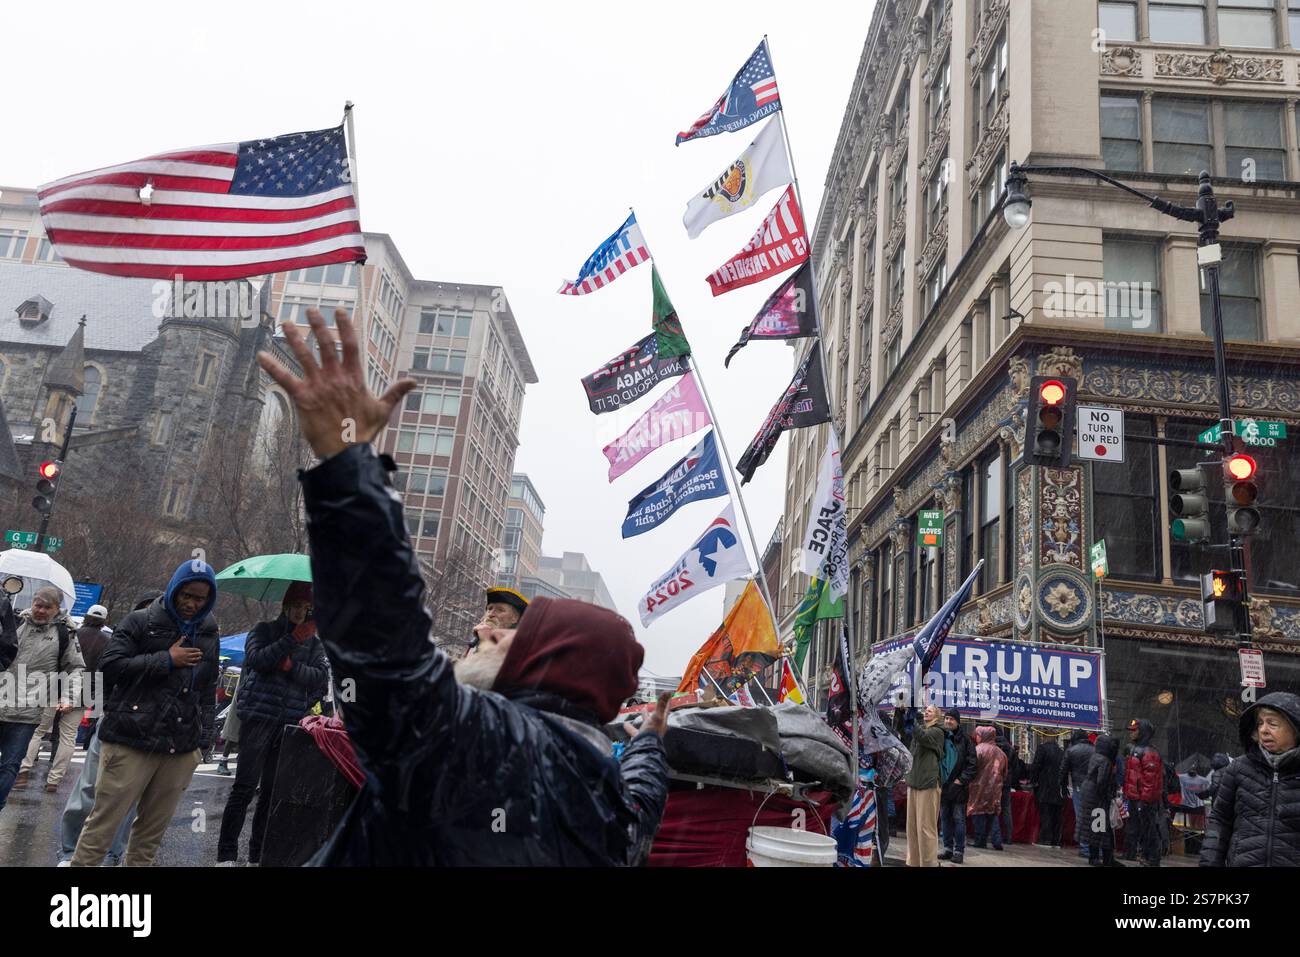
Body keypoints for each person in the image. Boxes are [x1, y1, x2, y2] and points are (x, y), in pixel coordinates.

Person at [256, 305, 671, 865]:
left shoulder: (487, 743)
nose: (485, 631)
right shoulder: (605, 795)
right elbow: (642, 804)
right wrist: (648, 742)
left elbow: (386, 652)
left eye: (515, 638)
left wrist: (346, 463)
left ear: (552, 665)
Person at [71, 564, 220, 866]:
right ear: (174, 589)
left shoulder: (208, 631)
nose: (192, 603)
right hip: (129, 737)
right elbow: (109, 667)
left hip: (179, 746)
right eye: (187, 595)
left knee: (150, 837)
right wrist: (166, 659)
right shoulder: (141, 620)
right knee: (102, 826)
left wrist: (202, 741)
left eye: (201, 598)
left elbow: (207, 687)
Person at [216, 581, 328, 865]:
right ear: (286, 605)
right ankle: (226, 855)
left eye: (306, 608)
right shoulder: (263, 630)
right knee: (244, 787)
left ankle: (257, 855)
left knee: (271, 792)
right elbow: (256, 660)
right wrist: (290, 641)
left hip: (289, 725)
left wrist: (292, 669)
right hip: (259, 718)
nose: (300, 612)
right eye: (296, 606)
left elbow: (318, 679)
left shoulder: (314, 643)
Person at [55, 592, 159, 866]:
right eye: (145, 611)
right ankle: (69, 852)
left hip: (146, 727)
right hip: (111, 718)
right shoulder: (120, 640)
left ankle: (111, 855)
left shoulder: (173, 646)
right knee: (88, 788)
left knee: (126, 798)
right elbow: (108, 674)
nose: (149, 618)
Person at [0, 587, 84, 810]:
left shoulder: (65, 633)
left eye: (48, 607)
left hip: (27, 713)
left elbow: (75, 668)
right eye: (38, 605)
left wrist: (69, 697)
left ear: (57, 609)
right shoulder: (15, 623)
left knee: (10, 766)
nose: (41, 610)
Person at [1200, 692, 1300, 867]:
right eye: (1260, 723)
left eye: (1273, 723)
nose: (1263, 730)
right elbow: (1220, 821)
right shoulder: (1238, 769)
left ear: (1296, 730)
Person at [904, 705, 944, 867]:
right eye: (926, 709)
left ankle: (929, 863)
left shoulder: (938, 731)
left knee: (925, 828)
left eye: (931, 710)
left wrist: (913, 718)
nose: (927, 711)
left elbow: (922, 737)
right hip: (914, 781)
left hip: (928, 782)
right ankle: (913, 862)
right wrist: (903, 715)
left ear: (937, 716)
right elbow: (907, 734)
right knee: (912, 827)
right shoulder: (921, 728)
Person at [1123, 718, 1164, 866]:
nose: (1131, 733)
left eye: (1134, 730)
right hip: (1135, 798)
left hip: (1144, 800)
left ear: (1143, 732)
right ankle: (1142, 855)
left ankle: (1152, 858)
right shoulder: (1136, 749)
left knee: (1149, 830)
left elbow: (1150, 780)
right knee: (1138, 828)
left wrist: (1144, 800)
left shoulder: (1149, 752)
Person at [937, 708, 976, 864]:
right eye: (946, 718)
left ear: (957, 722)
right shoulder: (941, 736)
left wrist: (961, 780)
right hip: (944, 787)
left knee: (958, 819)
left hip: (959, 789)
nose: (948, 721)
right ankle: (947, 848)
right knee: (945, 818)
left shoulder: (966, 741)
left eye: (951, 719)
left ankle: (959, 851)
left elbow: (972, 765)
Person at [1080, 734, 1122, 867]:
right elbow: (1102, 781)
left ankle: (1101, 857)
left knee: (1097, 827)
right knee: (1101, 828)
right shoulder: (1106, 761)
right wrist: (1106, 796)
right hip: (1098, 798)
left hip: (1090, 795)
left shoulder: (1095, 757)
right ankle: (1100, 858)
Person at [74, 605, 112, 746]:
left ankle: (30, 759)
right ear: (104, 620)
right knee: (70, 731)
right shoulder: (107, 641)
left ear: (86, 616)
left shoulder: (74, 634)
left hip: (63, 683)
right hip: (87, 686)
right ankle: (58, 766)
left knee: (42, 729)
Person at [968, 725, 1007, 850]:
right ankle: (997, 841)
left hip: (978, 788)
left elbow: (972, 768)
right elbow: (1005, 773)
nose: (976, 737)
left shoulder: (978, 750)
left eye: (978, 735)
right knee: (992, 814)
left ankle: (980, 840)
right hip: (995, 790)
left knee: (978, 813)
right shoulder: (1001, 753)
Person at [1059, 728, 1095, 857]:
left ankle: (1085, 847)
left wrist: (1063, 786)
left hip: (1079, 786)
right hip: (1094, 787)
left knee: (1081, 816)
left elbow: (1063, 770)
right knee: (1095, 816)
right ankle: (1096, 848)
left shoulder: (1071, 750)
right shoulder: (1095, 750)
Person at [1029, 735, 1066, 847]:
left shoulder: (1042, 749)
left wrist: (1033, 781)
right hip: (1058, 788)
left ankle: (1045, 839)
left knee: (1045, 813)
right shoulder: (1061, 752)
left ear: (1045, 737)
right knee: (1056, 815)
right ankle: (1056, 840)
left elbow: (1036, 766)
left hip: (1045, 786)